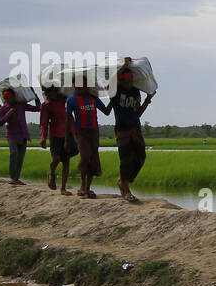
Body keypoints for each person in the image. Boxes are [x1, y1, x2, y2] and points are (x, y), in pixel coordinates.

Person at [109, 57, 152, 203]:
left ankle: (123, 181)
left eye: (130, 80)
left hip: (135, 127)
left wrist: (148, 99)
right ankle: (126, 190)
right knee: (125, 158)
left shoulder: (135, 92)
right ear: (121, 81)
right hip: (122, 128)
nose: (129, 83)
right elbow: (111, 81)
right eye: (126, 81)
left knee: (141, 156)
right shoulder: (115, 92)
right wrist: (124, 66)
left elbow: (137, 112)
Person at [65, 79, 110, 198]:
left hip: (94, 132)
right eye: (78, 86)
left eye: (83, 86)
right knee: (85, 156)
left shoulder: (93, 98)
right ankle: (82, 185)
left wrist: (113, 100)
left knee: (93, 158)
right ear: (74, 86)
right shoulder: (71, 100)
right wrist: (67, 138)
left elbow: (106, 112)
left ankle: (87, 188)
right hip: (81, 132)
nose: (81, 89)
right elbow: (68, 119)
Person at [0, 88, 41, 185]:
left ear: (13, 97)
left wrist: (35, 96)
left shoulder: (21, 105)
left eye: (9, 97)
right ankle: (13, 178)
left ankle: (16, 178)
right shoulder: (3, 109)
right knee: (14, 153)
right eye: (5, 98)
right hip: (12, 134)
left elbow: (38, 108)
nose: (7, 99)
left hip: (23, 134)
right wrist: (9, 113)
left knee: (20, 157)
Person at [39, 85, 73, 195]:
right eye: (46, 93)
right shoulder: (46, 105)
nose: (48, 94)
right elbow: (43, 123)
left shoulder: (65, 100)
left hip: (67, 134)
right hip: (54, 135)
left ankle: (63, 188)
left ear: (56, 91)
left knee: (66, 161)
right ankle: (52, 173)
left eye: (50, 92)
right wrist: (43, 137)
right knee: (56, 159)